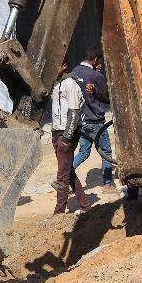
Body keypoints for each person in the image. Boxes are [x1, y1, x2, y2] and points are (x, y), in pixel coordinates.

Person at [70, 48, 117, 195]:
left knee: (83, 152)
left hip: (81, 121)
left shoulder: (73, 73)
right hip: (95, 121)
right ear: (96, 60)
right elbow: (108, 98)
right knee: (106, 152)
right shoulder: (95, 76)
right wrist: (97, 85)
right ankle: (108, 184)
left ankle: (62, 178)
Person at [50, 70, 92, 214]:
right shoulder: (55, 83)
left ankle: (59, 212)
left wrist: (67, 138)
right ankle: (85, 205)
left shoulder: (70, 84)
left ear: (64, 65)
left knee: (62, 177)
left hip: (66, 133)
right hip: (57, 132)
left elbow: (74, 113)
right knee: (68, 171)